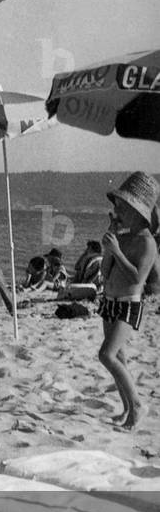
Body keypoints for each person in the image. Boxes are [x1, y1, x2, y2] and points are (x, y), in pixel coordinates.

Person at [98, 172, 159, 431]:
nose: (118, 210)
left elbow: (137, 279)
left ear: (139, 211)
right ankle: (126, 409)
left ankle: (137, 405)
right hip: (110, 300)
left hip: (128, 303)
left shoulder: (147, 243)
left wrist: (118, 252)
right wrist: (108, 248)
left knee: (107, 354)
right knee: (118, 357)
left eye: (123, 207)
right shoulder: (122, 237)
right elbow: (105, 271)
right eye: (117, 206)